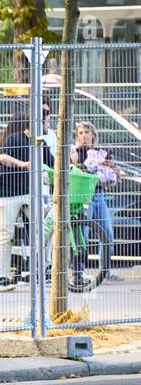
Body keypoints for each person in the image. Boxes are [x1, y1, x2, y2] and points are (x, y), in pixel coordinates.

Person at [0, 105, 53, 289]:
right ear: (37, 122)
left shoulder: (40, 142)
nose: (49, 124)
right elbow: (1, 157)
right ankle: (0, 278)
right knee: (6, 234)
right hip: (7, 194)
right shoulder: (15, 138)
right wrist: (23, 164)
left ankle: (43, 269)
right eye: (47, 121)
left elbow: (53, 162)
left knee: (44, 228)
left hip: (28, 194)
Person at [69, 120, 121, 282]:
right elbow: (74, 171)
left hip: (99, 195)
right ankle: (78, 272)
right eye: (80, 133)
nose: (84, 136)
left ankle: (106, 269)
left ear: (93, 134)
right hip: (83, 197)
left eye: (86, 132)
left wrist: (113, 168)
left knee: (107, 232)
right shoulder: (75, 152)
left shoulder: (101, 152)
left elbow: (116, 173)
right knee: (82, 233)